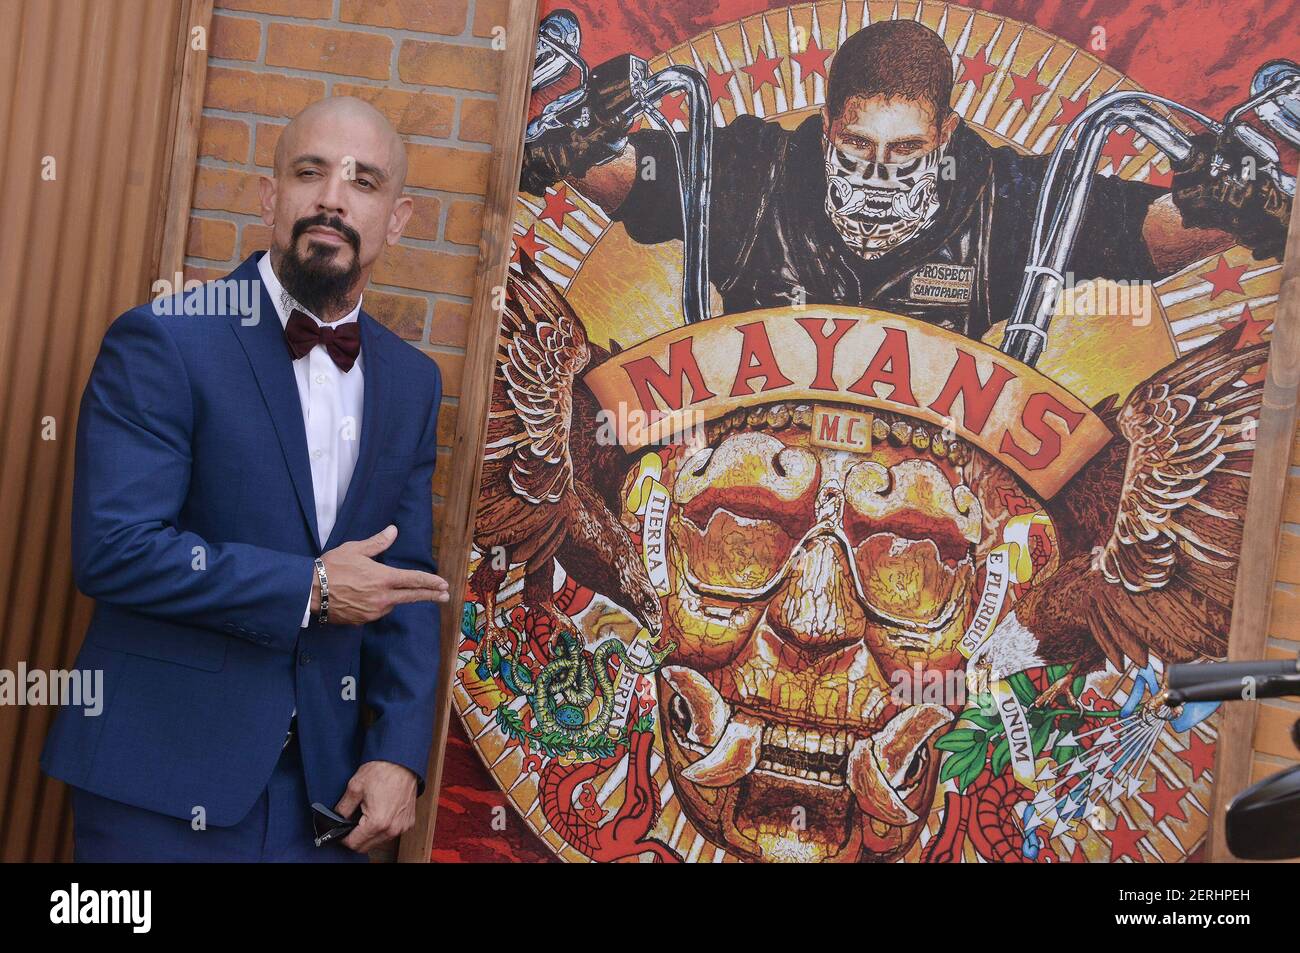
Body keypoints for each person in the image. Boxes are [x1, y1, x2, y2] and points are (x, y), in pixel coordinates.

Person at [41, 97, 451, 861]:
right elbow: (116, 550)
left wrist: (398, 751)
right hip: (157, 787)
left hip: (326, 807)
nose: (332, 196)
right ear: (270, 197)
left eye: (364, 181)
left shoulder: (411, 381)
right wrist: (312, 588)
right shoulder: (165, 341)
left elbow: (408, 582)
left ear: (397, 219)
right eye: (309, 172)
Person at [521, 19, 1288, 340]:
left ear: (946, 135)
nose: (879, 175)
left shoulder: (1001, 201)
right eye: (856, 146)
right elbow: (646, 181)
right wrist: (573, 143)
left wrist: (1235, 202)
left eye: (907, 150)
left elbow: (1131, 233)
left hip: (931, 508)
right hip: (745, 466)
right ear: (827, 128)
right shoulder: (757, 174)